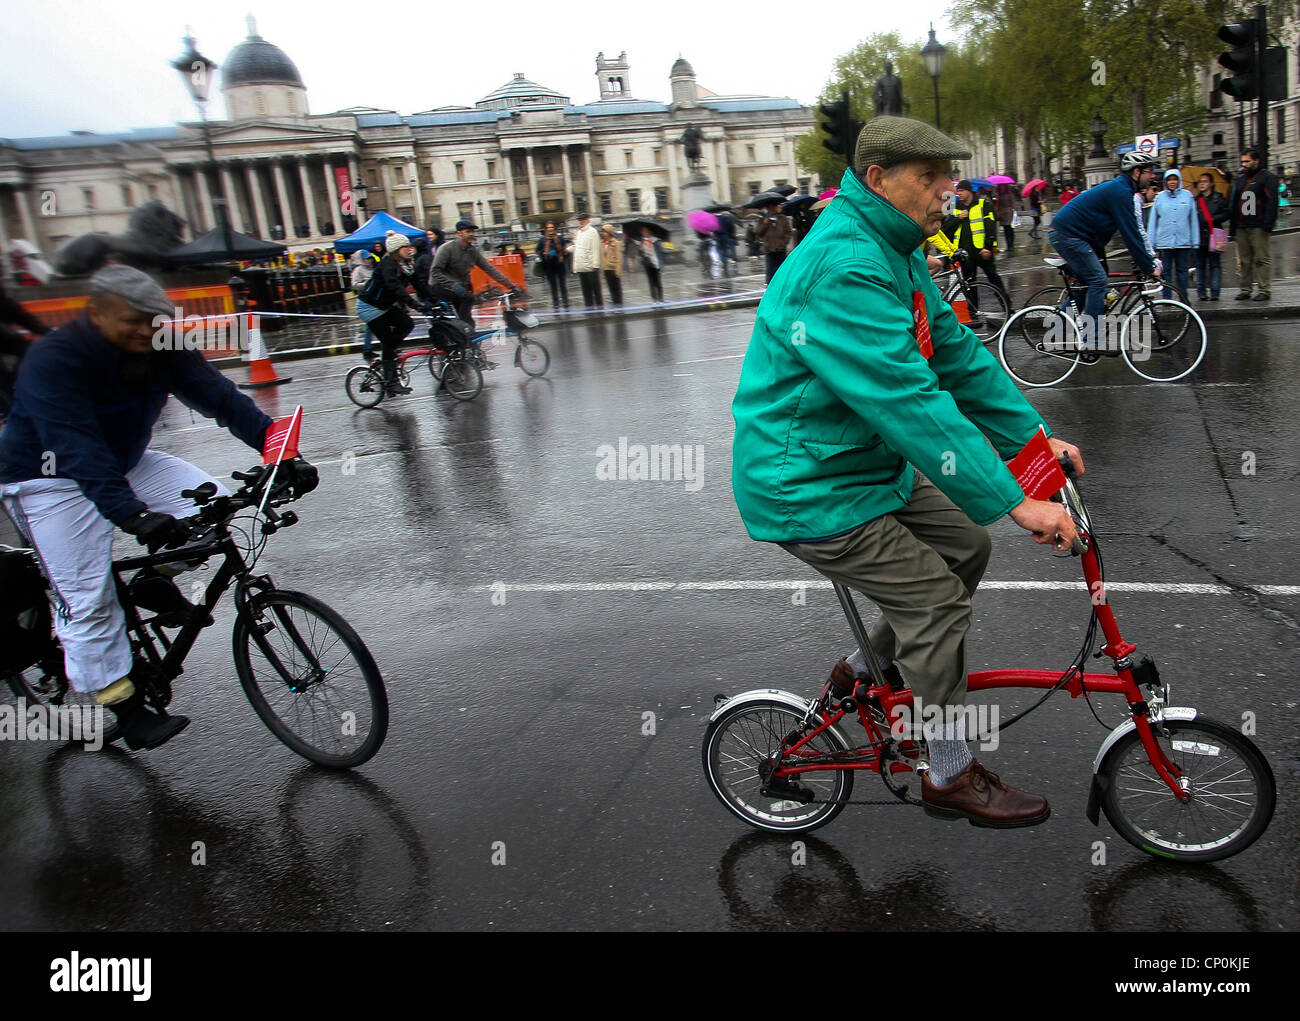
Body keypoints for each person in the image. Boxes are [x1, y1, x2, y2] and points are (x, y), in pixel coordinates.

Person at [731, 115, 1082, 828]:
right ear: (877, 179)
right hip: (806, 483)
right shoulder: (846, 266)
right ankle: (949, 772)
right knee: (934, 603)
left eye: (946, 176)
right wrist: (1016, 498)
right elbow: (907, 399)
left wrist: (1037, 444)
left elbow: (956, 357)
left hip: (858, 465)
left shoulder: (895, 248)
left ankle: (862, 673)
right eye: (929, 178)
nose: (945, 192)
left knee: (966, 547)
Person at [0, 265, 318, 751]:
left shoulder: (160, 345)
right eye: (131, 321)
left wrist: (280, 455)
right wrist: (129, 513)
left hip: (124, 460)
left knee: (210, 505)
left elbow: (222, 399)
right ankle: (126, 708)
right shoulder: (54, 359)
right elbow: (74, 443)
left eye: (153, 321)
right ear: (97, 314)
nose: (144, 331)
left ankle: (155, 579)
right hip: (49, 478)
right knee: (88, 600)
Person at [1047, 151, 1162, 356]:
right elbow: (1131, 233)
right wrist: (1148, 266)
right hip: (1068, 235)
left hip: (1078, 236)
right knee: (1098, 281)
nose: (1152, 176)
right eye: (1149, 172)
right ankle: (1092, 341)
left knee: (1086, 286)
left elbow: (1124, 232)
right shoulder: (1121, 192)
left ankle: (1058, 330)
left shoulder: (1122, 189)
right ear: (1136, 172)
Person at [358, 231, 425, 395]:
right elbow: (396, 288)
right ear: (396, 250)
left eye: (409, 246)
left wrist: (435, 301)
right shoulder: (387, 265)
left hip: (384, 306)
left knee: (407, 324)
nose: (409, 250)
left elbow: (420, 285)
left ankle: (387, 358)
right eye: (405, 247)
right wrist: (415, 305)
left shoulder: (407, 265)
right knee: (388, 342)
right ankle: (391, 382)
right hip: (369, 307)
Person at [429, 219, 521, 328]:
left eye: (473, 232)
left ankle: (466, 335)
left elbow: (490, 269)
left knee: (468, 309)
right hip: (440, 285)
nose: (471, 234)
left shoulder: (472, 251)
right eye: (468, 231)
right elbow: (435, 272)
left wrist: (512, 286)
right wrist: (454, 286)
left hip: (459, 285)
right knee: (468, 300)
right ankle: (464, 328)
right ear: (459, 233)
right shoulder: (446, 249)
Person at [940, 179, 1008, 303]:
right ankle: (974, 313)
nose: (958, 193)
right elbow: (946, 229)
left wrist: (988, 247)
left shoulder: (983, 204)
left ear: (969, 191)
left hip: (982, 251)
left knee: (994, 279)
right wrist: (958, 219)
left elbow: (991, 227)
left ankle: (1007, 307)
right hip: (965, 254)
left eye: (961, 191)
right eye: (957, 191)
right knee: (969, 285)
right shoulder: (955, 207)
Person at [1229, 149, 1278, 301]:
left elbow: (1272, 201)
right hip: (1242, 225)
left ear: (1256, 161)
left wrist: (1268, 223)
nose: (1244, 165)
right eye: (1242, 162)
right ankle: (1245, 288)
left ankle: (1264, 289)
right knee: (1244, 260)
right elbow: (1235, 204)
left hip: (1258, 224)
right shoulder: (1241, 180)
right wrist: (1233, 226)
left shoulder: (1268, 178)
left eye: (1247, 161)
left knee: (1261, 258)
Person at [1146, 168, 1198, 300]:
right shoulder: (1160, 198)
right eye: (1169, 179)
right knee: (1166, 271)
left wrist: (1195, 240)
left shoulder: (1187, 196)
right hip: (1164, 241)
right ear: (1165, 181)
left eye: (1175, 179)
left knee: (1182, 271)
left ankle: (1183, 297)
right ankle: (1167, 298)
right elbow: (1153, 222)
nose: (1172, 182)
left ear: (1179, 180)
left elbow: (1193, 220)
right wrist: (1151, 243)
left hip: (1183, 241)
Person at [1, 281, 48, 420]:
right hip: (7, 340)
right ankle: (9, 412)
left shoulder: (5, 303)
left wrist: (50, 334)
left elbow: (26, 320)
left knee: (28, 352)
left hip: (9, 342)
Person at [1193, 173, 1229, 301]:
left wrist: (1213, 219)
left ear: (1211, 183)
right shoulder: (1196, 200)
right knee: (1200, 265)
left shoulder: (1218, 198)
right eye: (1200, 182)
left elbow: (1226, 213)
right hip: (1200, 237)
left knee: (1215, 265)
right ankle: (1201, 292)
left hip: (1215, 236)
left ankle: (1215, 292)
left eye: (1205, 181)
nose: (1202, 184)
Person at [348, 249, 377, 358]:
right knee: (372, 325)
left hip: (376, 299)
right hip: (367, 300)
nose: (368, 260)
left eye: (369, 258)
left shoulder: (374, 268)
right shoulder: (358, 270)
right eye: (366, 258)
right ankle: (367, 349)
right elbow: (355, 284)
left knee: (374, 325)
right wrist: (367, 284)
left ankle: (368, 349)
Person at [755, 197, 791, 283]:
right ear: (768, 208)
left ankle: (784, 284)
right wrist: (765, 223)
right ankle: (770, 287)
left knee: (784, 270)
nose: (774, 208)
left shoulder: (783, 218)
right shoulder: (763, 219)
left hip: (781, 248)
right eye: (772, 207)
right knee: (770, 271)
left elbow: (788, 232)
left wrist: (784, 242)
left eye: (775, 206)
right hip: (769, 249)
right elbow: (759, 232)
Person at [535, 221, 570, 310]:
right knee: (553, 285)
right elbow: (537, 250)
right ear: (546, 229)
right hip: (548, 264)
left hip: (559, 263)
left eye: (552, 228)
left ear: (554, 229)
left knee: (562, 283)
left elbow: (564, 249)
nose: (550, 229)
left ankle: (565, 301)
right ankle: (556, 302)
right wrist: (543, 253)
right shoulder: (543, 239)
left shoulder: (560, 238)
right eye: (548, 228)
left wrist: (562, 251)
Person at [572, 212, 603, 308]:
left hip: (590, 266)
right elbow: (577, 247)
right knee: (585, 290)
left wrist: (596, 265)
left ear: (587, 220)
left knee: (595, 289)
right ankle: (589, 307)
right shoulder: (578, 232)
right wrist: (567, 249)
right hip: (581, 266)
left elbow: (595, 248)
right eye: (580, 220)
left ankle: (599, 307)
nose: (581, 222)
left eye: (583, 220)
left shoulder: (592, 231)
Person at [600, 224, 624, 305]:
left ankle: (619, 304)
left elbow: (619, 257)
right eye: (602, 231)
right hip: (606, 268)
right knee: (611, 288)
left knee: (617, 288)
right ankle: (615, 303)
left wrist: (618, 270)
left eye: (605, 231)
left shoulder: (616, 243)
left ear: (609, 232)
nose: (603, 233)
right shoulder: (602, 243)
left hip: (614, 268)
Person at [637, 233, 665, 302]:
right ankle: (654, 299)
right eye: (643, 231)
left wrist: (661, 265)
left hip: (656, 263)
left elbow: (661, 253)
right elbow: (639, 253)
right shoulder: (642, 241)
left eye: (646, 230)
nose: (644, 232)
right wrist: (640, 249)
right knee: (651, 282)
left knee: (657, 282)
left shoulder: (656, 240)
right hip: (648, 264)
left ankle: (660, 298)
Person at [995, 182, 1018, 253]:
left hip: (1009, 212)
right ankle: (1008, 245)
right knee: (1006, 230)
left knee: (1010, 229)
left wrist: (1013, 210)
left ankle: (1011, 245)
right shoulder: (998, 194)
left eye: (1003, 186)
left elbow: (1013, 203)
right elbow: (997, 204)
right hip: (1002, 213)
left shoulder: (1009, 193)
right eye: (1000, 186)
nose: (1002, 187)